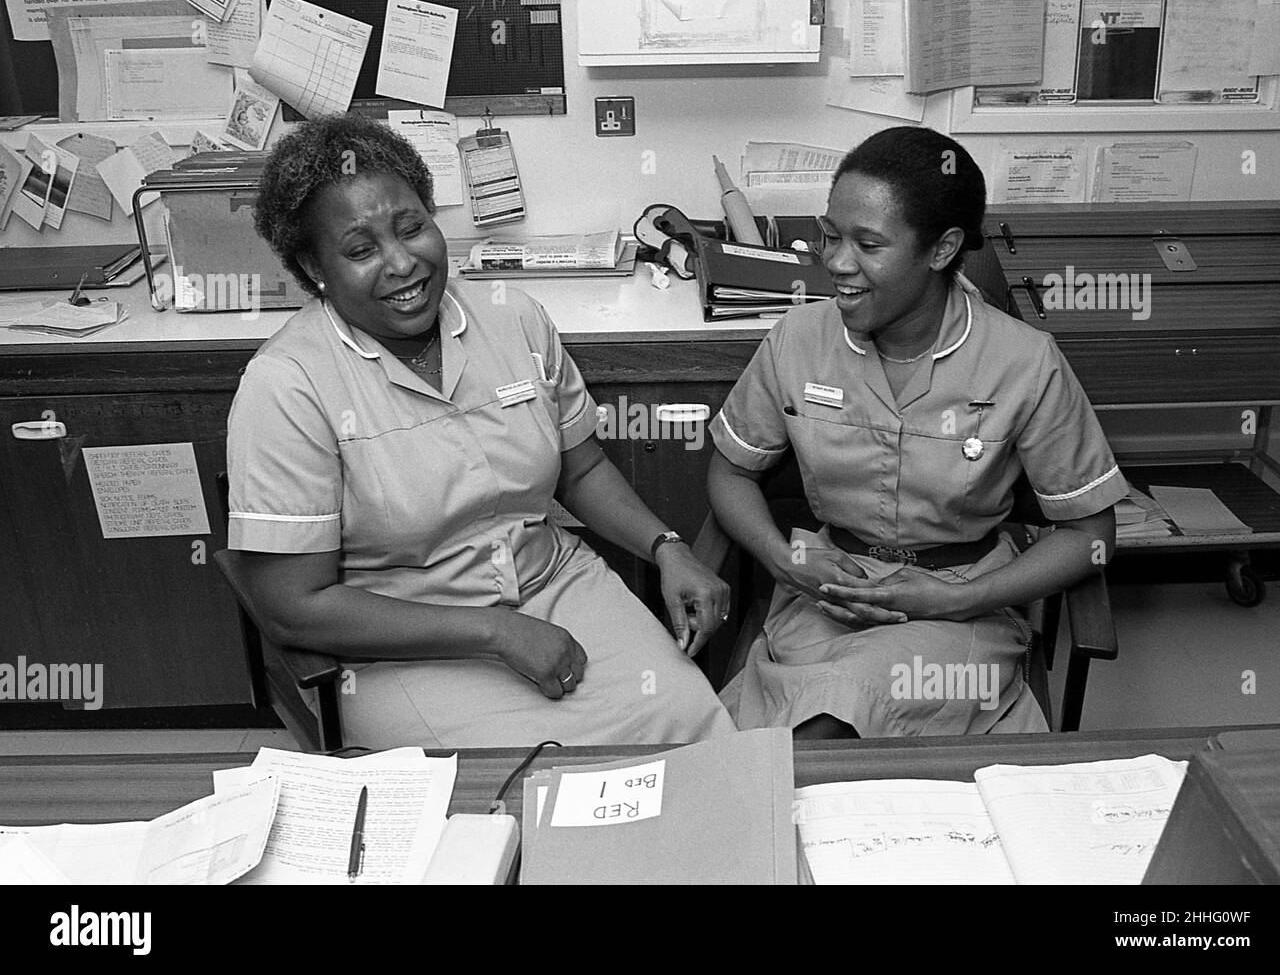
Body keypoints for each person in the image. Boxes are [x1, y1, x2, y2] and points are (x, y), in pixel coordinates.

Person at [226, 113, 734, 748]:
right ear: (313, 266)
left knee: (697, 735)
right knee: (512, 803)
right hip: (407, 640)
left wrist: (667, 548)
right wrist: (496, 633)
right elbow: (293, 605)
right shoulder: (286, 384)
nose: (401, 262)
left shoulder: (512, 318)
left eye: (412, 228)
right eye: (360, 250)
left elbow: (583, 470)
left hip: (559, 589)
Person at [707, 126, 1127, 738]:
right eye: (830, 236)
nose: (837, 263)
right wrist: (785, 557)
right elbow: (730, 470)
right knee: (767, 735)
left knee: (827, 726)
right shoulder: (798, 340)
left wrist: (954, 599)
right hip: (829, 598)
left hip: (962, 610)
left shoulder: (1023, 362)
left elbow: (1091, 535)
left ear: (942, 249)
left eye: (868, 244)